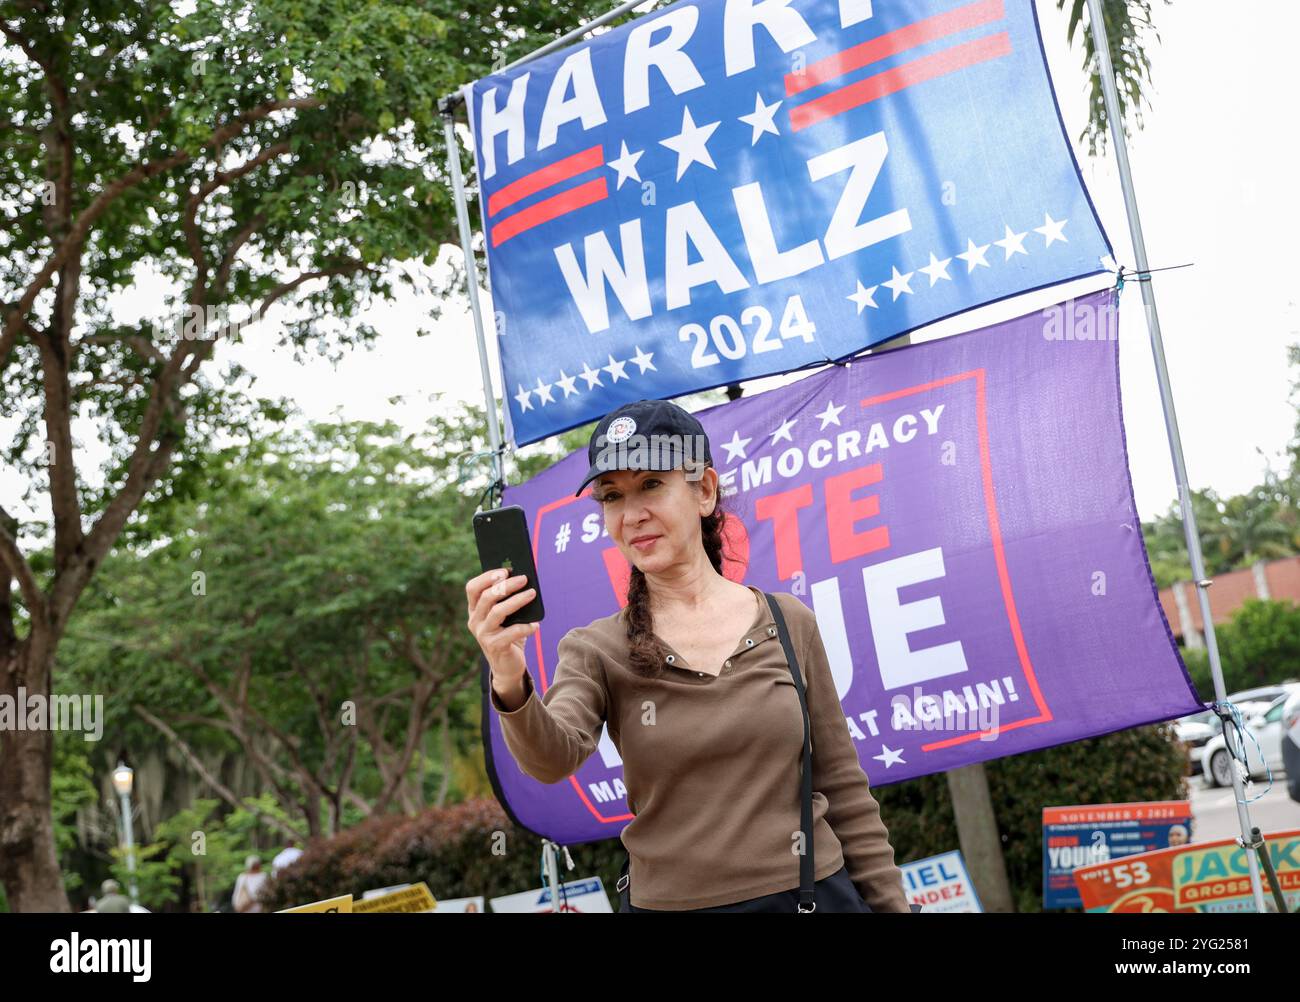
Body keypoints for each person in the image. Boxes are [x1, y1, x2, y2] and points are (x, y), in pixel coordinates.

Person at [467, 398, 912, 913]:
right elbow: (551, 759)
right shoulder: (596, 649)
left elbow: (845, 789)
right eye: (613, 496)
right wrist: (507, 671)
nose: (632, 515)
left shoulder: (789, 622)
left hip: (812, 897)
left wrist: (893, 907)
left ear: (703, 490)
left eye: (651, 485)